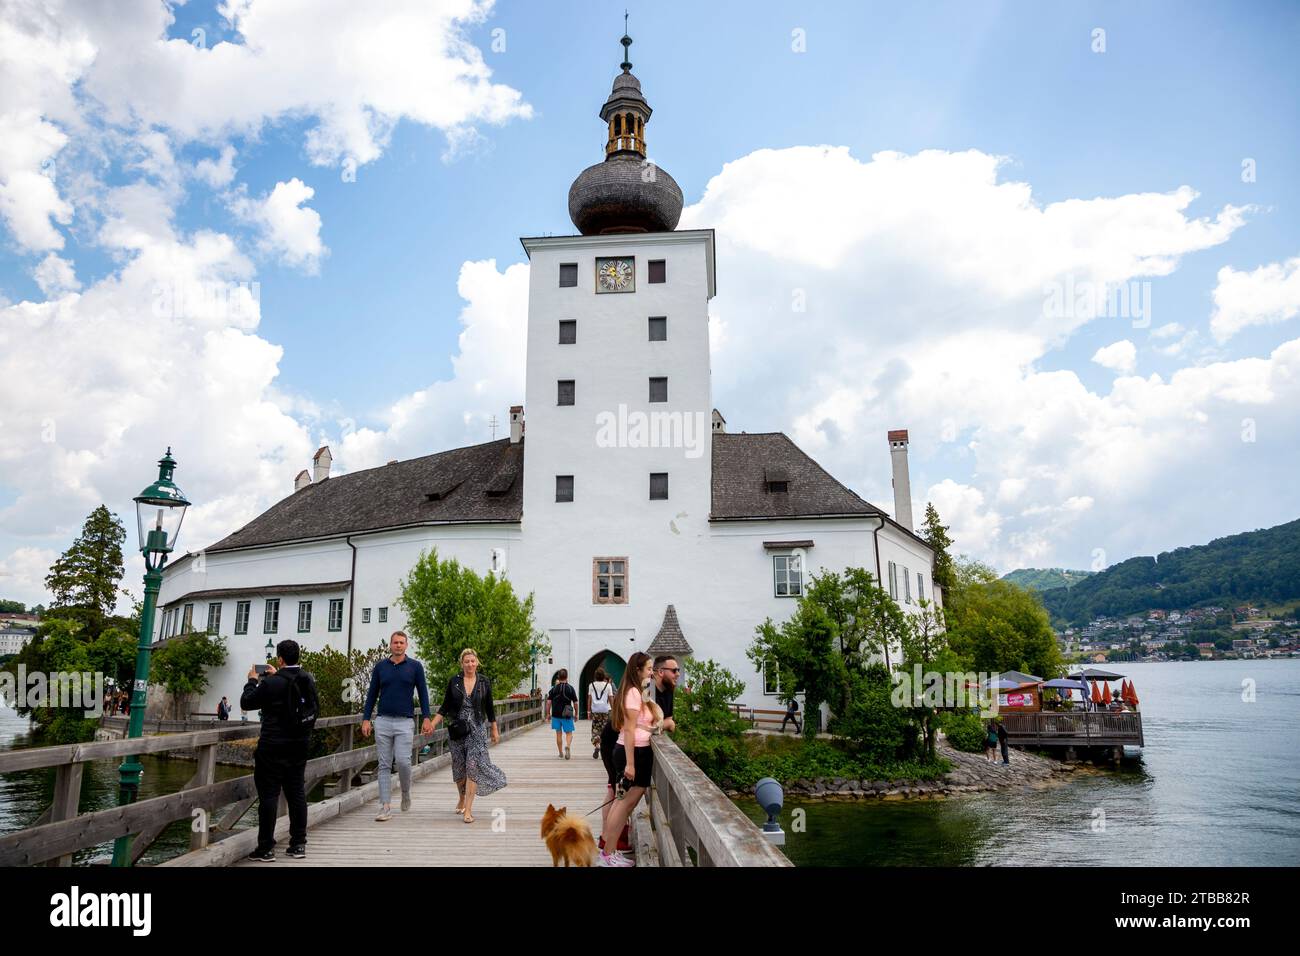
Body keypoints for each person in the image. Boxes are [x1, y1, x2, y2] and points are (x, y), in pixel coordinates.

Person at [240, 639, 318, 862]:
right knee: (297, 793)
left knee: (269, 796)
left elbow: (247, 702)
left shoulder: (272, 683)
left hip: (273, 746)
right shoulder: (307, 679)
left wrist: (252, 681)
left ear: (280, 658)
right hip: (299, 744)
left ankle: (265, 848)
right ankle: (298, 844)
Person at [361, 631, 432, 821]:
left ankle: (406, 792)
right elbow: (371, 694)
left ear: (406, 645)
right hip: (383, 720)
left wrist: (426, 717)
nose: (398, 645)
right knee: (384, 764)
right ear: (390, 645)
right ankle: (385, 807)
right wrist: (366, 718)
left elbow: (423, 694)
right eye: (395, 642)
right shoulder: (380, 667)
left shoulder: (415, 667)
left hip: (405, 721)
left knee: (403, 761)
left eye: (401, 642)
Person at [429, 648, 505, 824]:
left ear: (477, 662)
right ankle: (461, 797)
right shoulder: (454, 682)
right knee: (459, 769)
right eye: (467, 661)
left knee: (472, 767)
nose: (470, 664)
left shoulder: (484, 682)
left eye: (473, 661)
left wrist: (494, 729)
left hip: (477, 729)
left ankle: (468, 809)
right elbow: (445, 706)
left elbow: (490, 708)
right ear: (462, 664)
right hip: (457, 729)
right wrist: (432, 724)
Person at [598, 651, 656, 867]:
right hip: (632, 752)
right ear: (637, 670)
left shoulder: (637, 691)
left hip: (636, 751)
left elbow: (639, 725)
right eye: (648, 668)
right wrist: (630, 764)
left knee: (624, 805)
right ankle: (607, 854)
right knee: (622, 804)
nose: (651, 672)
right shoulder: (632, 693)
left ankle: (610, 852)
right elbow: (629, 730)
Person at [546, 668, 578, 759]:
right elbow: (575, 702)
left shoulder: (554, 688)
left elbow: (548, 702)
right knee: (569, 733)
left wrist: (548, 714)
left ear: (558, 677)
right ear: (567, 677)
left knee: (558, 733)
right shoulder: (570, 688)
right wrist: (576, 714)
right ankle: (568, 746)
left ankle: (560, 752)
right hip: (567, 713)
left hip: (556, 714)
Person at [646, 656, 679, 733]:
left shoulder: (669, 689)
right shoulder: (648, 689)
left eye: (678, 670)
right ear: (660, 672)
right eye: (674, 670)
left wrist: (667, 723)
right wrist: (669, 724)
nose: (678, 674)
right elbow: (651, 727)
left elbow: (668, 719)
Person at [587, 666, 613, 759]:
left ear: (595, 676)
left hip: (595, 711)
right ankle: (604, 748)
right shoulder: (608, 686)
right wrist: (613, 711)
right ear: (603, 676)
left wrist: (588, 711)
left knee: (595, 729)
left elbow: (589, 698)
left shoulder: (591, 685)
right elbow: (611, 698)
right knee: (605, 729)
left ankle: (597, 744)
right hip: (606, 710)